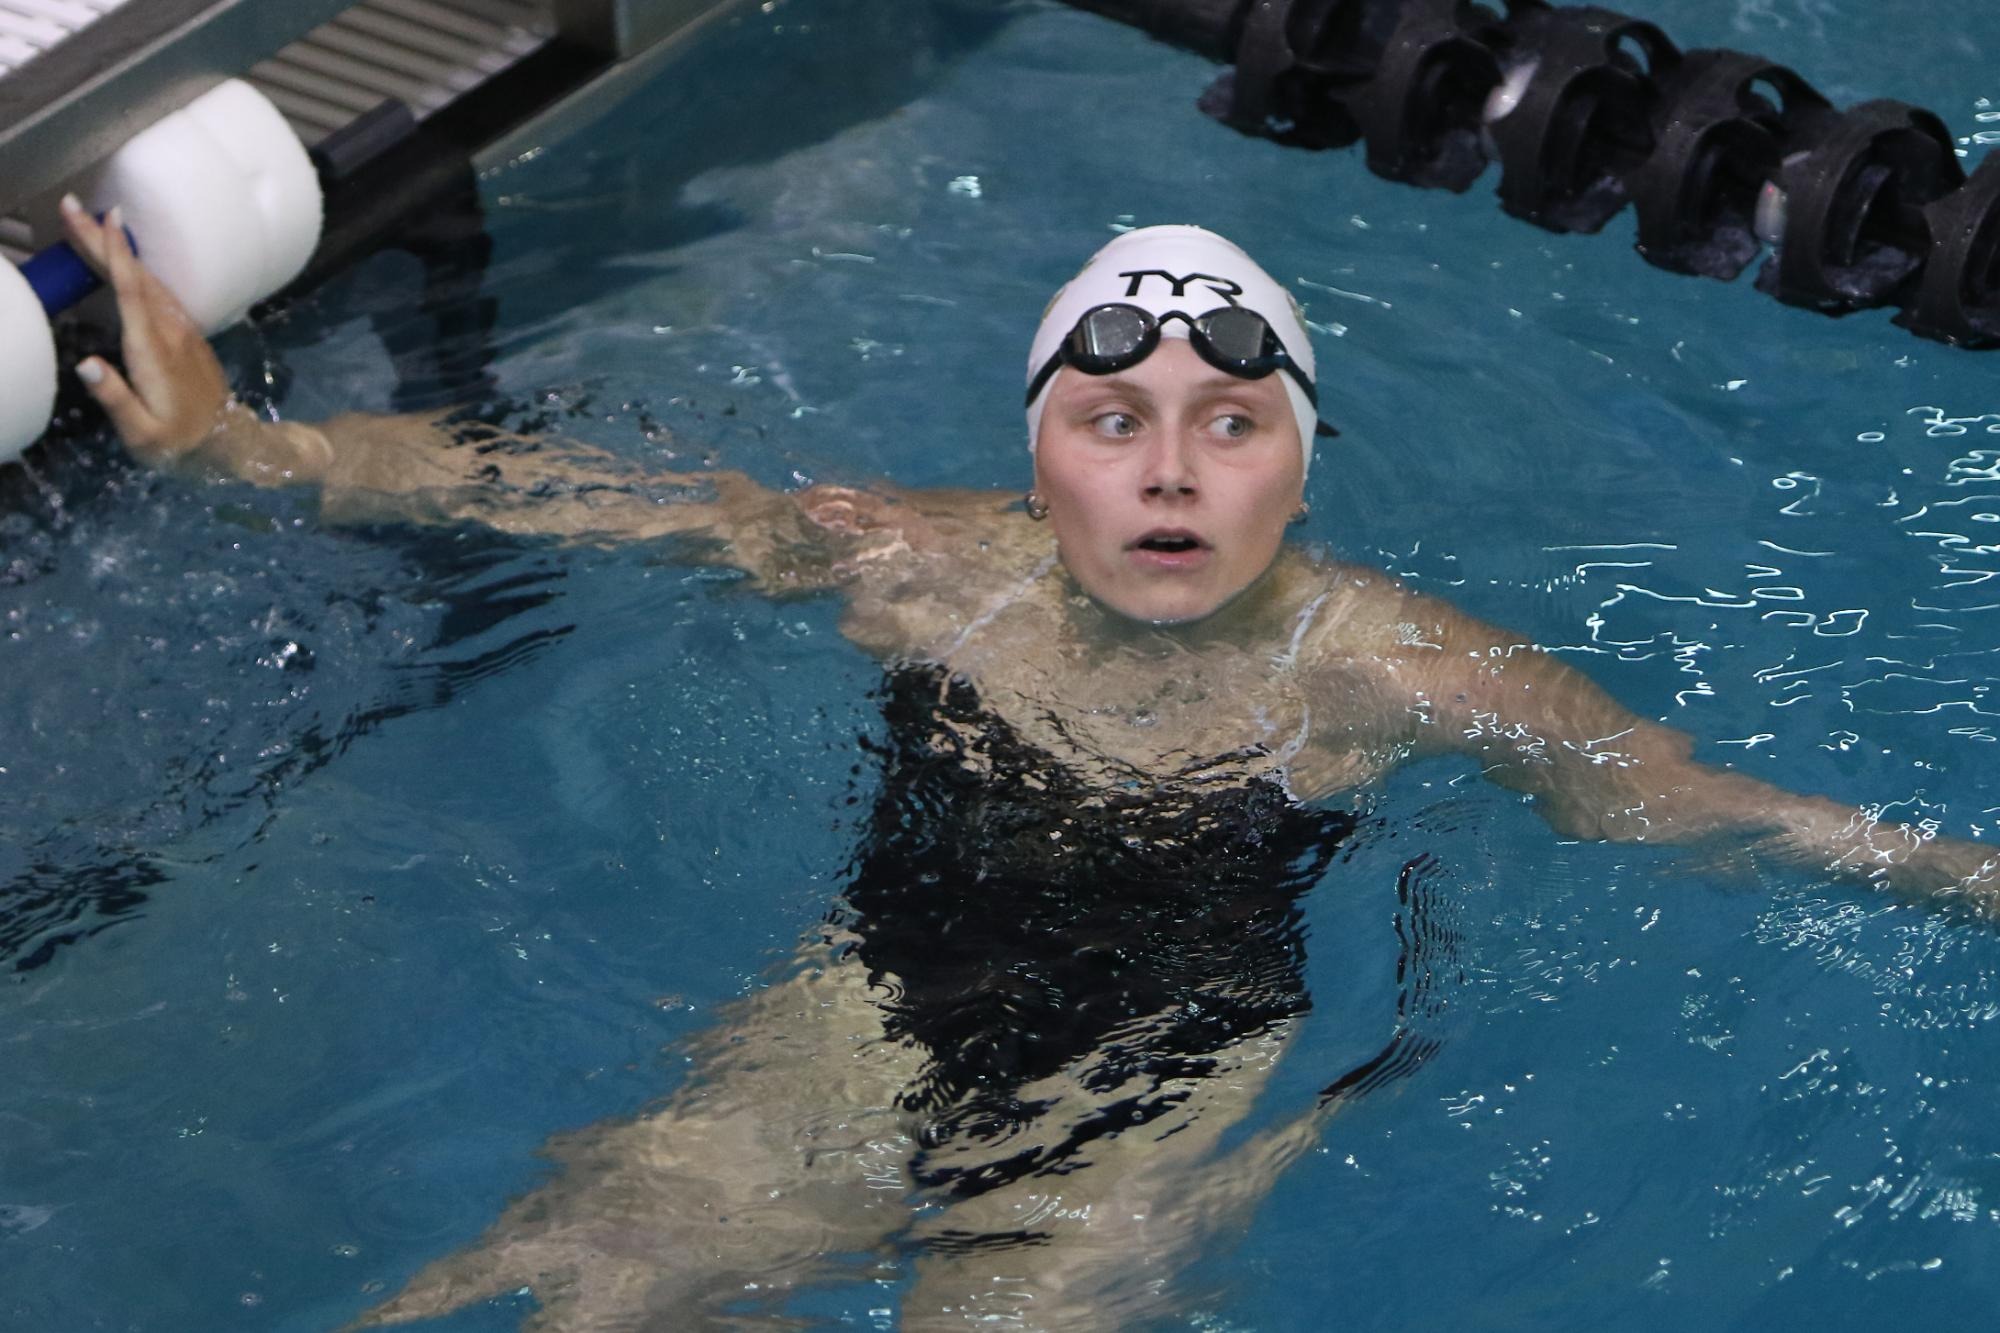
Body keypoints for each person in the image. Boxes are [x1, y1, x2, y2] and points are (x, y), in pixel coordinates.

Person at [56, 199, 2000, 1330]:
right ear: (1039, 451)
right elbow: (580, 493)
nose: (1168, 466)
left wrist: (1970, 874)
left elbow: (1685, 803)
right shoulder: (929, 564)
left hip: (1149, 1103)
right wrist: (269, 452)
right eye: (1114, 417)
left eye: (1230, 422)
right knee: (550, 1285)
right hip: (869, 1020)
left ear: (1298, 458)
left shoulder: (1385, 661)